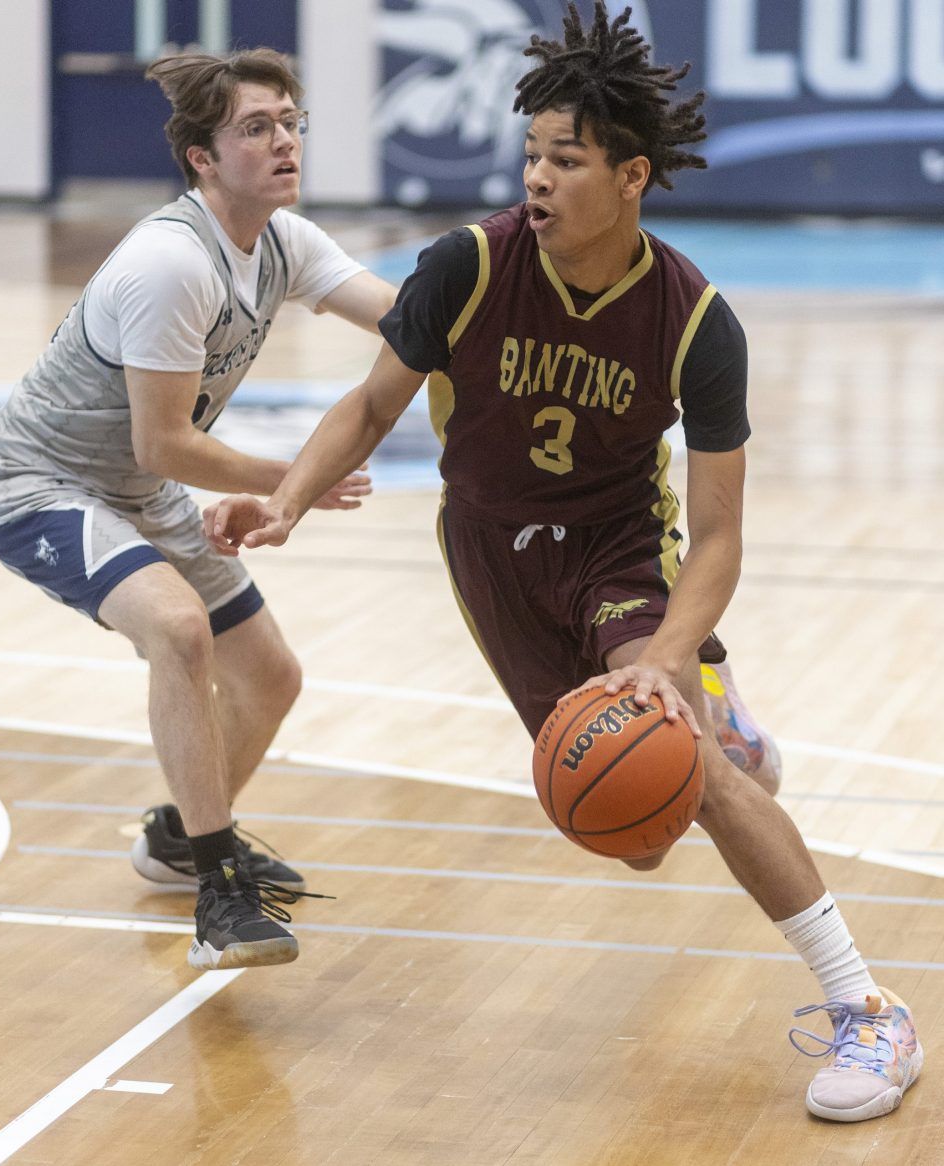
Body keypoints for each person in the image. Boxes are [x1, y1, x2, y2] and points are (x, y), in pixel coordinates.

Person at [203, 4, 922, 1121]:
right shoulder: (468, 269)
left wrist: (664, 656)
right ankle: (717, 716)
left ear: (630, 174)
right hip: (491, 553)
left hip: (617, 550)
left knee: (694, 768)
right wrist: (285, 500)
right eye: (531, 154)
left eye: (567, 159)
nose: (537, 177)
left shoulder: (693, 320)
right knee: (635, 827)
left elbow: (721, 532)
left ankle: (868, 1008)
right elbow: (368, 403)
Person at [0, 48, 396, 971]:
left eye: (290, 122)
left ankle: (173, 835)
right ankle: (218, 892)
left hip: (129, 486)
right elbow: (164, 444)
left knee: (271, 677)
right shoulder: (170, 262)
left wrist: (508, 303)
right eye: (256, 127)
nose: (284, 141)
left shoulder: (286, 241)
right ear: (201, 157)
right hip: (37, 482)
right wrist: (295, 480)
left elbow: (406, 322)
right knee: (179, 627)